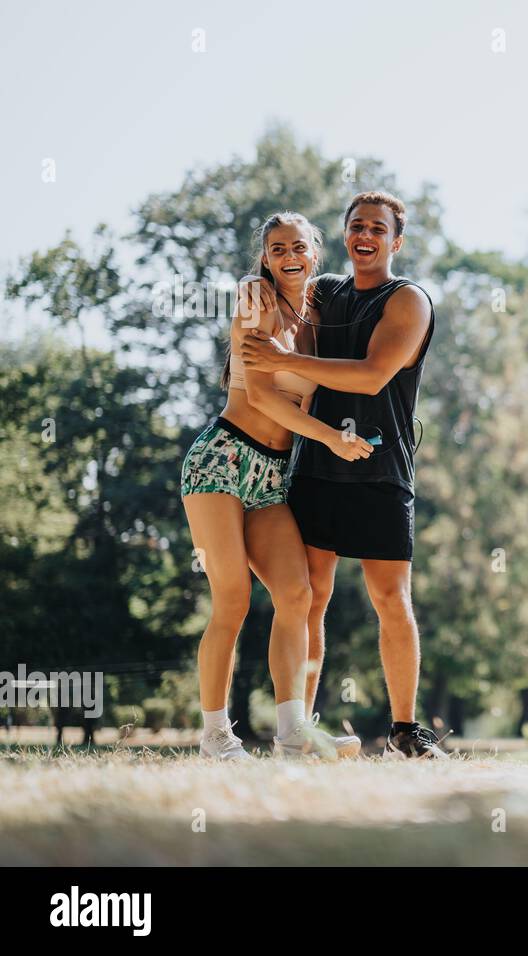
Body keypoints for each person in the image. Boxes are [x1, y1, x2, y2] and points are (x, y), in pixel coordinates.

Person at [240, 191, 446, 758]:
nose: (366, 235)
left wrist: (283, 362)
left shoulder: (408, 301)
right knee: (310, 597)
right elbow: (281, 281)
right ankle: (299, 730)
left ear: (395, 241)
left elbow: (372, 375)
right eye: (357, 226)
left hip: (382, 473)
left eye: (378, 229)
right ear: (346, 234)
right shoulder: (326, 292)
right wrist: (254, 292)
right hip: (318, 470)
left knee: (390, 598)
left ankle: (405, 731)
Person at [182, 211, 367, 761]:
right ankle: (215, 736)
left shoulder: (316, 316)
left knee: (297, 594)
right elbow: (262, 397)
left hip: (270, 476)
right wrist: (333, 439)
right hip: (221, 460)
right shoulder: (253, 300)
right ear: (265, 256)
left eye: (299, 246)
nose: (289, 255)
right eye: (277, 247)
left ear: (315, 252)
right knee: (232, 601)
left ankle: (293, 736)